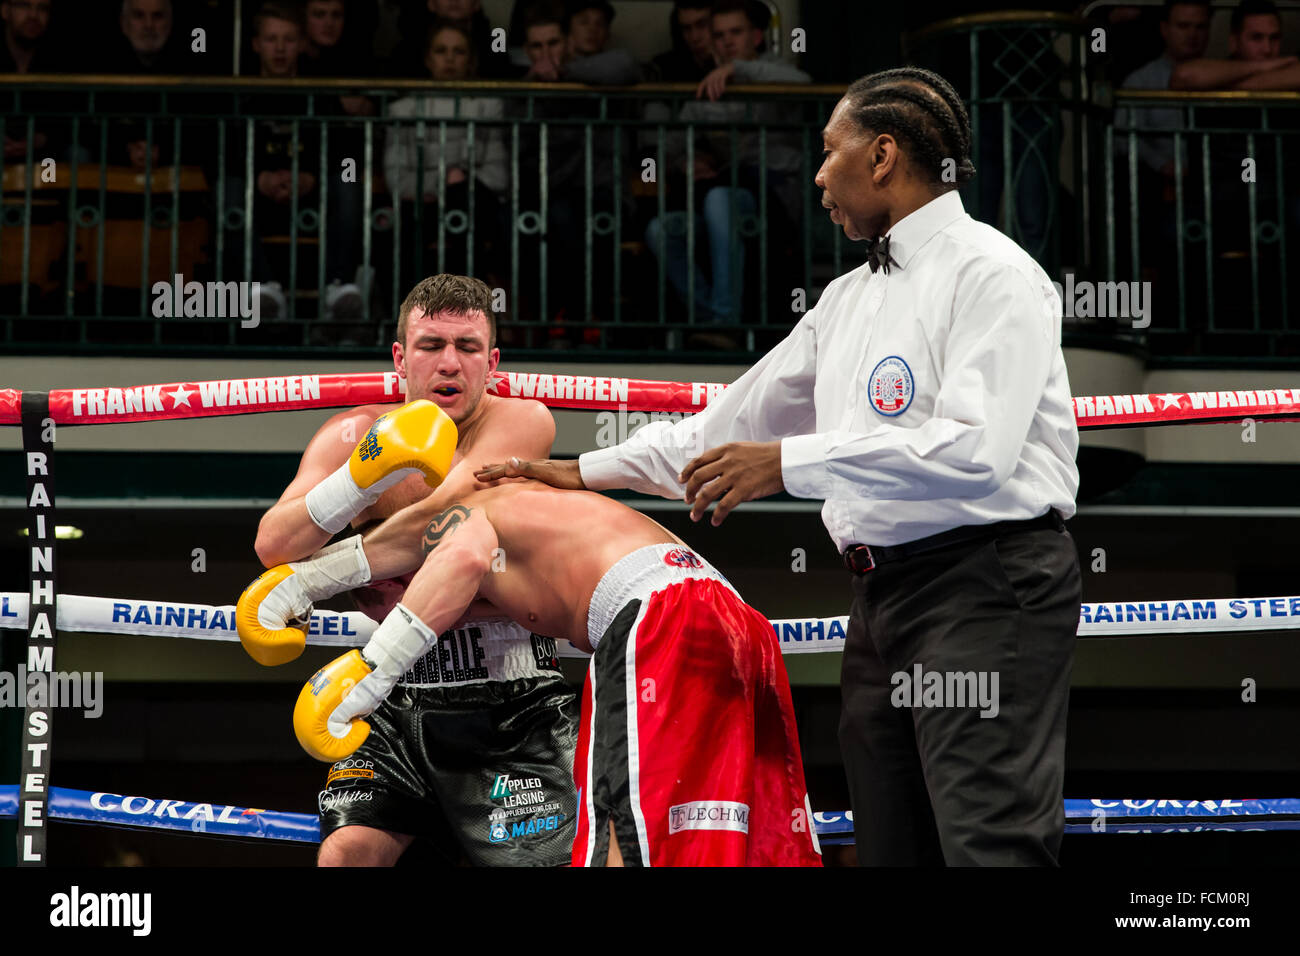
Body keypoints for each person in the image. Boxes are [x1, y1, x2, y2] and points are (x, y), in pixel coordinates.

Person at [486, 68, 1084, 867]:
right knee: (890, 846)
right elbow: (726, 426)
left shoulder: (994, 275)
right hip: (881, 598)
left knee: (987, 844)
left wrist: (791, 464)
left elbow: (976, 452)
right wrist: (584, 471)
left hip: (987, 585)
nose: (816, 174)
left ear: (881, 156)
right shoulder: (846, 298)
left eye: (829, 151)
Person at [242, 475, 822, 867]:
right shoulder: (523, 544)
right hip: (738, 624)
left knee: (620, 820)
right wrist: (306, 583)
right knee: (724, 823)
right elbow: (398, 572)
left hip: (657, 617)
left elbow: (458, 557)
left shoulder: (461, 521)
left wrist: (371, 671)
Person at [250, 273, 578, 867]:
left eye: (468, 347)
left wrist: (327, 573)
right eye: (431, 345)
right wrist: (360, 477)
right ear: (401, 357)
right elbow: (274, 544)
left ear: (492, 361)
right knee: (346, 855)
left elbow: (451, 520)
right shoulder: (352, 434)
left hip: (512, 702)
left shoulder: (521, 423)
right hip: (398, 696)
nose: (450, 363)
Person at [643, 0, 809, 346]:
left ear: (757, 36)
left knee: (718, 200)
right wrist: (685, 161)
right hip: (727, 202)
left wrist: (738, 70)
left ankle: (725, 322)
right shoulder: (709, 87)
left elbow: (802, 82)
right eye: (719, 35)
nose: (726, 42)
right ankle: (708, 323)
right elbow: (670, 143)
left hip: (776, 199)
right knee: (663, 230)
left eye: (736, 33)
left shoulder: (769, 70)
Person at [384, 20, 508, 286]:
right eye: (441, 51)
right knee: (403, 229)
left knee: (467, 212)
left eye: (458, 51)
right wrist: (447, 182)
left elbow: (498, 177)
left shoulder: (489, 106)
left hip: (474, 205)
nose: (449, 59)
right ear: (429, 58)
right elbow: (397, 179)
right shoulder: (403, 110)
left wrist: (459, 184)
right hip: (420, 207)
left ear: (471, 59)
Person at [1171, 0, 1297, 90]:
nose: (1267, 49)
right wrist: (1263, 67)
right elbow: (1184, 76)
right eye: (1256, 38)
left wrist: (1219, 85)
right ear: (1234, 42)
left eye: (1274, 38)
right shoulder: (1218, 70)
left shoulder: (1289, 70)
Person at [648, 0, 714, 82]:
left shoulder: (732, 63)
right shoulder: (664, 67)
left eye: (701, 25)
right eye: (686, 28)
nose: (694, 37)